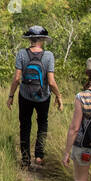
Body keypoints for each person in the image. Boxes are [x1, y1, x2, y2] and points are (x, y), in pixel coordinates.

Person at [7, 25, 63, 169]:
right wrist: (59, 96)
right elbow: (51, 81)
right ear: (43, 39)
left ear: (30, 39)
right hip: (43, 96)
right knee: (42, 123)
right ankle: (39, 156)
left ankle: (25, 159)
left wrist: (11, 95)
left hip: (25, 95)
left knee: (25, 126)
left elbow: (16, 78)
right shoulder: (48, 55)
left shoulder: (21, 53)